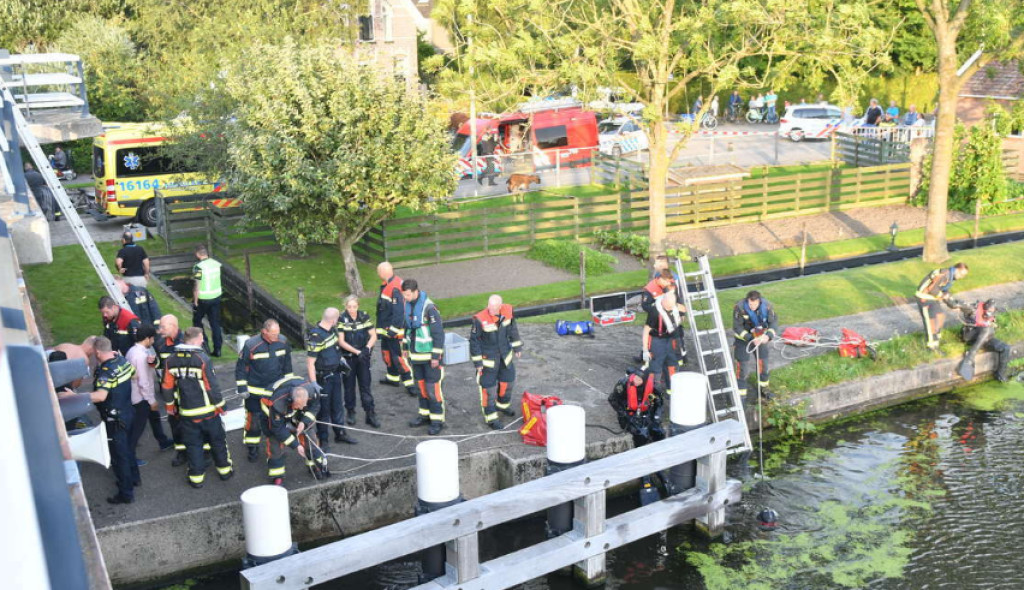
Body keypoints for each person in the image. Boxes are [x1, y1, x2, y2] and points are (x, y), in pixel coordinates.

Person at [66, 336, 140, 504]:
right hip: (129, 413)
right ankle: (134, 479)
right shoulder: (122, 362)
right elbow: (134, 376)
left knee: (119, 457)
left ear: (98, 352)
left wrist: (75, 397)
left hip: (115, 421)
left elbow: (100, 396)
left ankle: (125, 493)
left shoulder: (106, 372)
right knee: (129, 450)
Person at [161, 327, 234, 488]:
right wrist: (222, 406)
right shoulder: (202, 359)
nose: (203, 341)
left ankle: (196, 478)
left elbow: (166, 386)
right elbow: (211, 387)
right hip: (208, 412)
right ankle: (225, 471)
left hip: (187, 414)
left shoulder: (171, 360)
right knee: (218, 442)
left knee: (193, 446)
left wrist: (170, 406)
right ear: (195, 339)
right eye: (201, 338)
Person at [236, 319, 294, 461]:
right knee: (254, 421)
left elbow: (287, 365)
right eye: (274, 334)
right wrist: (242, 388)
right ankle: (252, 447)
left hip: (275, 391)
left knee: (276, 420)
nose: (277, 337)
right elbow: (241, 368)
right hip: (255, 392)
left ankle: (276, 449)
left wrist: (290, 384)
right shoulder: (251, 345)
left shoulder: (283, 342)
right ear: (264, 332)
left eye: (278, 333)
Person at [263, 378, 330, 485]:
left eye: (304, 405)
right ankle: (277, 475)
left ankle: (314, 465)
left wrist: (304, 422)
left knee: (309, 434)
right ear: (291, 400)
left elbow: (314, 407)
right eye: (298, 406)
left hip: (292, 405)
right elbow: (278, 429)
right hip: (270, 409)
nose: (302, 408)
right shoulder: (278, 403)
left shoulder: (312, 392)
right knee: (274, 441)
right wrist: (296, 445)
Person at [470, 295, 523, 429]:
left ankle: (502, 405)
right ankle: (491, 418)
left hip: (505, 357)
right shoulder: (480, 319)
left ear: (500, 306)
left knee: (508, 382)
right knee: (488, 390)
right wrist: (478, 363)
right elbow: (474, 342)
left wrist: (517, 347)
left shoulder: (508, 312)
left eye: (494, 307)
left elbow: (512, 330)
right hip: (488, 361)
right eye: (489, 306)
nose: (491, 309)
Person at [306, 307, 356, 449]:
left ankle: (340, 433)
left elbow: (335, 348)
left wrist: (340, 359)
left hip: (335, 374)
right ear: (333, 320)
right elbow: (310, 362)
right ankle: (324, 440)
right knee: (324, 410)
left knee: (338, 406)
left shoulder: (332, 330)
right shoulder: (316, 336)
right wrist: (314, 382)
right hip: (324, 379)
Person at [402, 279, 446, 435]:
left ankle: (437, 420)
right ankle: (424, 415)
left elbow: (438, 334)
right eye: (404, 295)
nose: (405, 298)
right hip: (416, 356)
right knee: (421, 388)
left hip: (430, 358)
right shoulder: (408, 305)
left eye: (407, 295)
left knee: (432, 390)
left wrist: (436, 355)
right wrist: (405, 347)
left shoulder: (429, 308)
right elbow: (408, 329)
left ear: (416, 291)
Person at [126, 324, 173, 462]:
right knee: (137, 429)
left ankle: (162, 440)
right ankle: (130, 457)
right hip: (141, 398)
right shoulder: (141, 356)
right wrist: (151, 400)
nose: (153, 341)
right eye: (152, 339)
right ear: (147, 339)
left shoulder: (132, 351)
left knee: (155, 418)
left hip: (137, 395)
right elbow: (143, 381)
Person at [338, 295, 379, 428]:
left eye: (354, 306)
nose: (352, 309)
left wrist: (367, 349)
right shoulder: (341, 319)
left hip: (363, 357)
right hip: (349, 358)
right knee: (349, 387)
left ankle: (370, 413)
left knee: (365, 385)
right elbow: (341, 341)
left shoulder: (364, 316)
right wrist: (357, 352)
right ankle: (350, 411)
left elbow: (373, 335)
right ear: (345, 307)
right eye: (349, 307)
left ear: (358, 306)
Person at [155, 314, 189, 466]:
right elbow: (161, 365)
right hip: (172, 393)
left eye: (163, 326)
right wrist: (153, 363)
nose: (160, 330)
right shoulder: (162, 344)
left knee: (193, 423)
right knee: (175, 425)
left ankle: (202, 451)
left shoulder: (187, 341)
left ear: (174, 326)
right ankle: (182, 452)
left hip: (188, 392)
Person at [732, 290, 778, 399]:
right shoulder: (739, 308)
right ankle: (741, 394)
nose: (752, 306)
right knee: (742, 366)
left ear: (759, 301)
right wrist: (750, 338)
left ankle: (764, 388)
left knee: (763, 363)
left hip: (760, 338)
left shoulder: (767, 307)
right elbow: (737, 327)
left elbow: (773, 323)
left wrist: (768, 336)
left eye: (755, 304)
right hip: (743, 340)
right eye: (750, 303)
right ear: (747, 301)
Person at [375, 262, 413, 392]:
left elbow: (399, 312)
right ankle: (393, 378)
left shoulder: (394, 287)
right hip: (387, 331)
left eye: (378, 271)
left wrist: (392, 330)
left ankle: (410, 384)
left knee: (398, 357)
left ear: (381, 273)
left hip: (394, 332)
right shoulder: (391, 284)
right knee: (387, 354)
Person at [915, 262, 969, 350]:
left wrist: (952, 302)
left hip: (932, 298)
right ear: (956, 269)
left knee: (939, 316)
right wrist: (943, 296)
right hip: (924, 297)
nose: (961, 277)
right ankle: (932, 346)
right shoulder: (944, 274)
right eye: (961, 274)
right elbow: (932, 289)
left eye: (964, 275)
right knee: (931, 321)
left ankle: (937, 339)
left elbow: (944, 290)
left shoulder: (950, 277)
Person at [608, 368, 666, 448]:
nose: (635, 381)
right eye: (635, 378)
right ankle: (639, 451)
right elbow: (612, 399)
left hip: (646, 412)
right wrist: (622, 413)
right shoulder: (624, 383)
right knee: (641, 435)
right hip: (628, 413)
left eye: (639, 380)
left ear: (645, 381)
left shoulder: (653, 386)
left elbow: (659, 402)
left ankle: (660, 449)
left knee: (658, 431)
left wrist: (657, 417)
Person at [956, 299, 1010, 382]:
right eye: (988, 310)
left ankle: (1000, 374)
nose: (988, 313)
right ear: (985, 306)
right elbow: (959, 305)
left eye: (991, 311)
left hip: (985, 338)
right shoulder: (974, 308)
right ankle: (969, 358)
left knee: (1006, 348)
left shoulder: (991, 315)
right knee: (987, 330)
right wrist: (956, 303)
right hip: (971, 335)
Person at [642, 291, 686, 388]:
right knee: (656, 366)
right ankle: (655, 390)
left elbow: (683, 311)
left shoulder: (675, 307)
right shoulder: (654, 312)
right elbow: (646, 331)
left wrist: (682, 315)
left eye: (672, 306)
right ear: (663, 302)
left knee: (673, 364)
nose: (671, 309)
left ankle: (672, 388)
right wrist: (645, 350)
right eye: (669, 307)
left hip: (671, 339)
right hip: (657, 340)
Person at [192, 244, 223, 357]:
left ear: (197, 254)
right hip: (216, 296)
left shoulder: (198, 267)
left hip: (204, 298)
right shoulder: (215, 264)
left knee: (197, 321)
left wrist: (195, 301)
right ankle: (218, 349)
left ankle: (204, 345)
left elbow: (197, 285)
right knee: (215, 324)